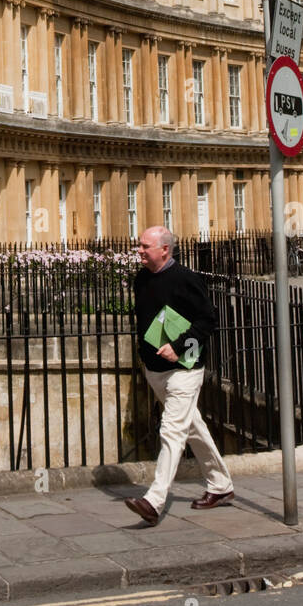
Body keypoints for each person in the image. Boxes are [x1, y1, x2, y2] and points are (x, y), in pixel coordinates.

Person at [125, 225, 234, 525]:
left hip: (185, 369)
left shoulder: (187, 279)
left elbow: (207, 320)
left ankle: (154, 500)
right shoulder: (142, 279)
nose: (140, 251)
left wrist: (177, 347)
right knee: (192, 427)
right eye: (140, 245)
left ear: (164, 249)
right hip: (155, 370)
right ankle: (221, 485)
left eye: (145, 246)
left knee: (171, 430)